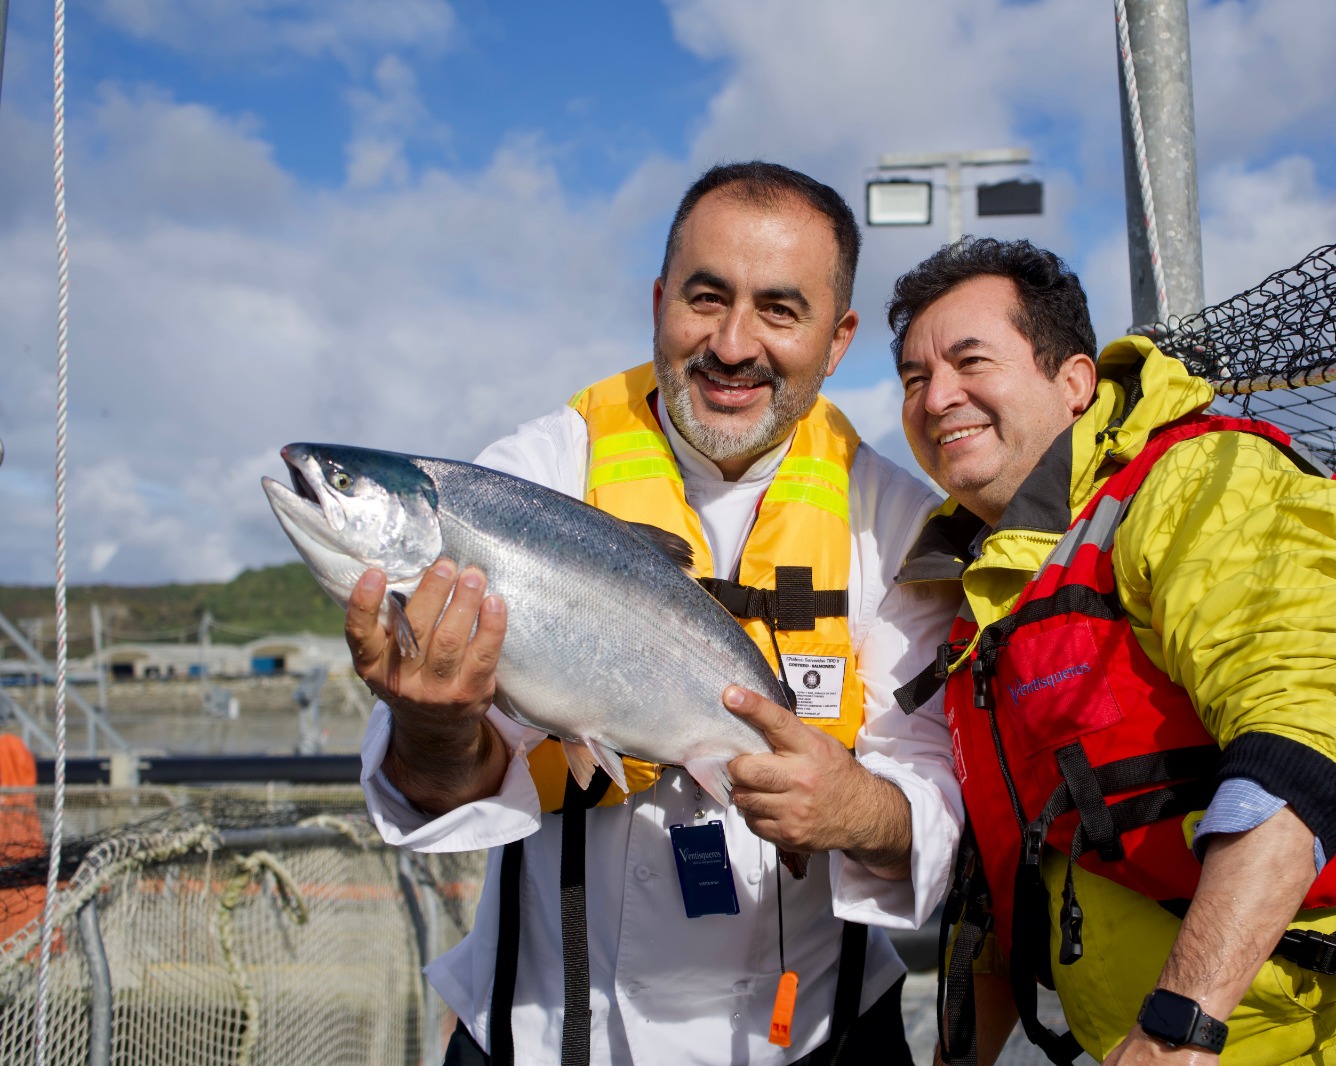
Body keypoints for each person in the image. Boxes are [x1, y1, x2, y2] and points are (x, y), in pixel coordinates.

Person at [349, 162, 963, 1066]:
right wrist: (434, 726)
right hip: (551, 1032)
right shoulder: (532, 480)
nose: (732, 343)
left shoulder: (901, 527)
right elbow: (433, 788)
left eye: (781, 311)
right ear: (657, 300)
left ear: (837, 342)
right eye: (705, 298)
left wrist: (862, 810)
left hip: (821, 1037)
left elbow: (939, 798)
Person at [887, 238, 1336, 1065]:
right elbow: (1001, 875)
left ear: (1074, 383)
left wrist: (1179, 1028)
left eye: (971, 361)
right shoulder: (995, 590)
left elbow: (1292, 753)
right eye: (912, 378)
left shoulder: (1203, 484)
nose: (938, 398)